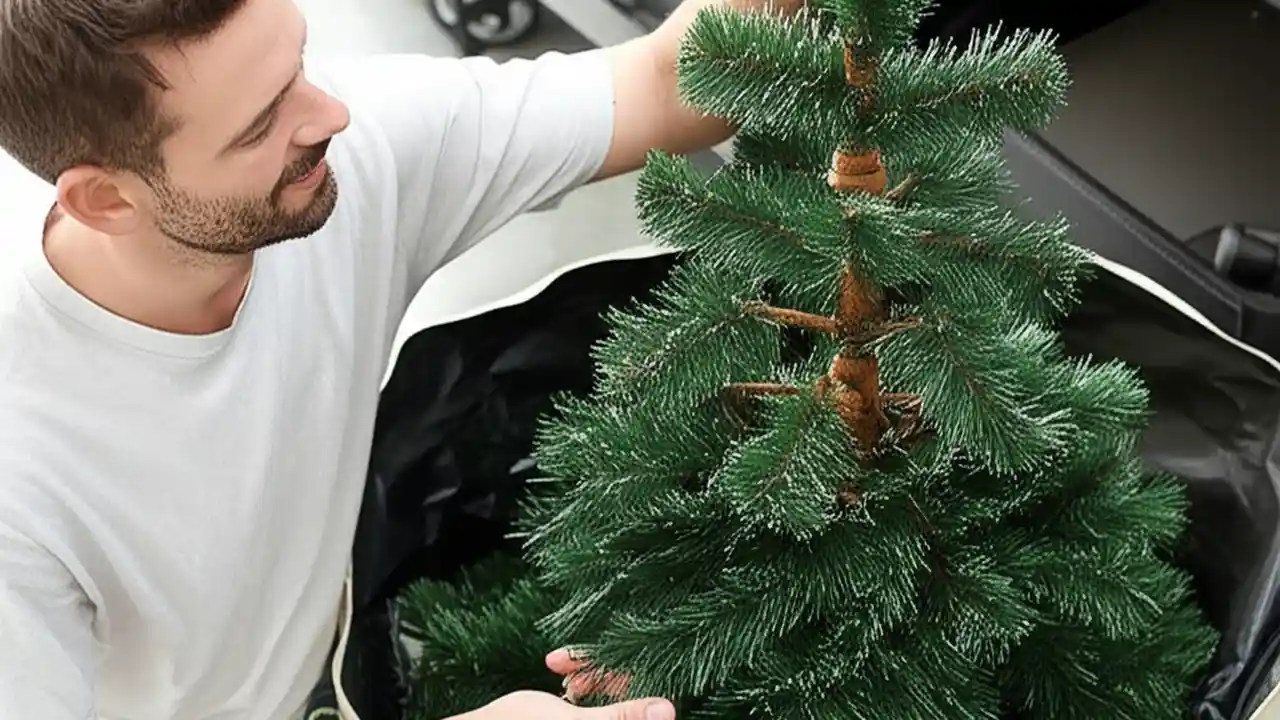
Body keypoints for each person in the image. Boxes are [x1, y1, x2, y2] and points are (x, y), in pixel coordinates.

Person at [0, 0, 806, 717]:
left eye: (300, 64)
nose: (329, 115)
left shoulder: (351, 146)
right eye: (256, 127)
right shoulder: (25, 477)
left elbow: (667, 85)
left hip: (342, 648)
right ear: (105, 199)